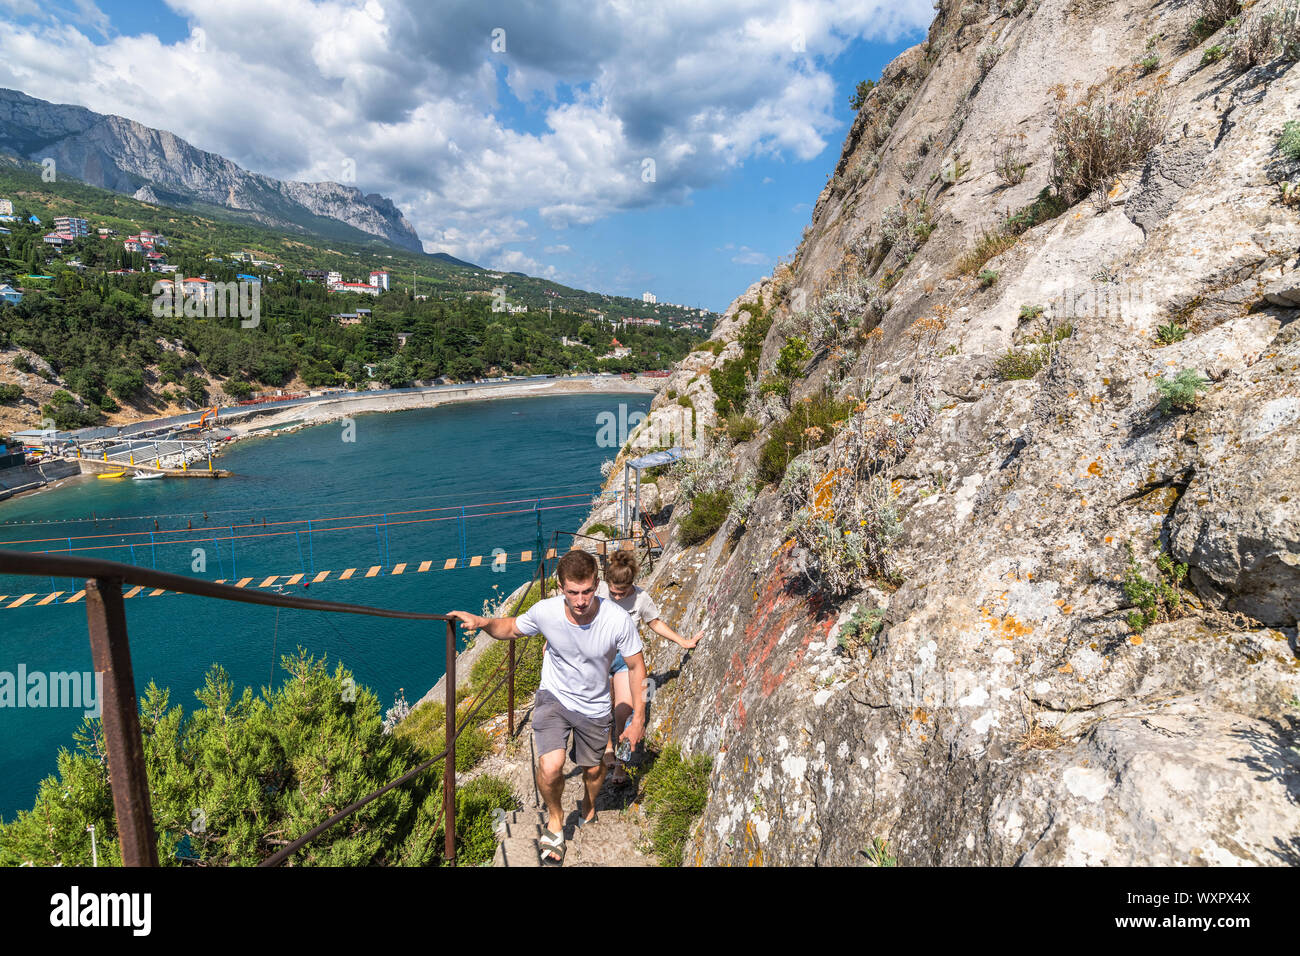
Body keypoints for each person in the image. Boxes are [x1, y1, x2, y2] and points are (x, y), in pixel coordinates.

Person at [447, 549, 645, 866]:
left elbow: (636, 668)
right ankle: (555, 819)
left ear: (597, 583)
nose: (580, 601)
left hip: (594, 706)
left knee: (594, 770)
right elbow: (511, 627)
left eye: (587, 591)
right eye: (572, 592)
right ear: (560, 587)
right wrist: (483, 622)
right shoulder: (546, 611)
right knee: (551, 766)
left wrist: (638, 720)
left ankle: (589, 803)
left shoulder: (617, 620)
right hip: (554, 697)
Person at [597, 551, 702, 783]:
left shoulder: (641, 599)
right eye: (613, 591)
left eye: (621, 592)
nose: (615, 596)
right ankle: (607, 749)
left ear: (631, 585)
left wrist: (683, 641)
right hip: (599, 658)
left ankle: (621, 766)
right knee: (601, 707)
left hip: (626, 660)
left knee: (624, 711)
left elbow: (654, 622)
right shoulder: (600, 590)